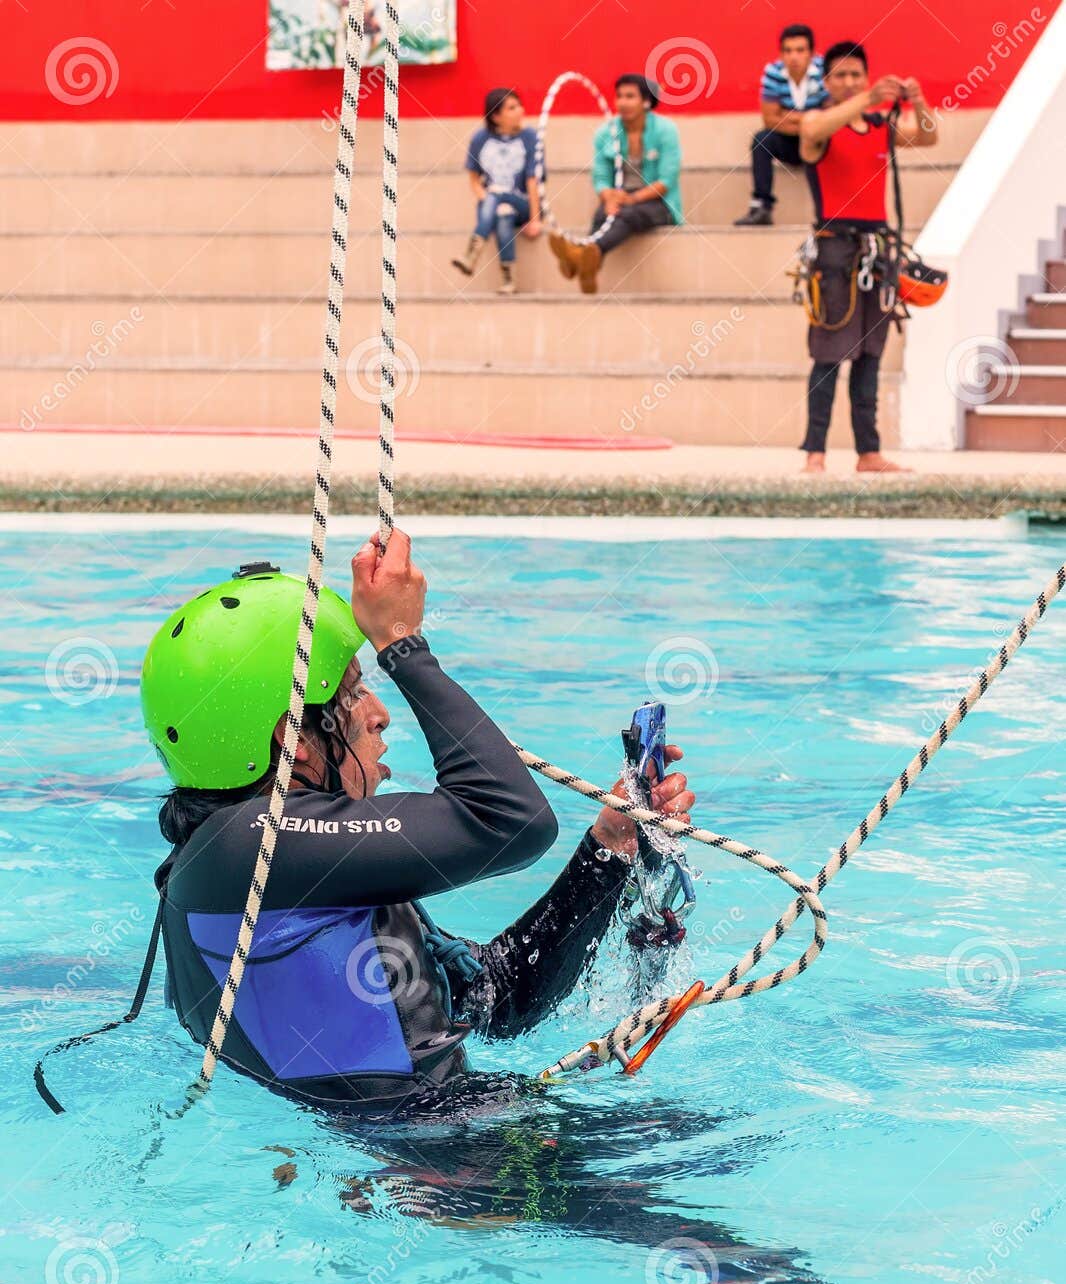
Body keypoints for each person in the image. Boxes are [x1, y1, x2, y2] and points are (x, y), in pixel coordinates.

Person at [139, 531, 695, 1116]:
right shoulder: (247, 847)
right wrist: (401, 645)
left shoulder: (276, 864)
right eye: (353, 694)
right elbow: (509, 818)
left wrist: (610, 846)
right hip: (436, 1166)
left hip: (444, 1151)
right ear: (296, 741)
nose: (379, 716)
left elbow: (499, 998)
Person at [797, 41, 938, 474]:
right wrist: (867, 98)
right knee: (829, 350)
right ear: (826, 82)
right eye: (839, 75)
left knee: (871, 353)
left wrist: (917, 101)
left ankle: (868, 452)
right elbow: (811, 135)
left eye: (856, 74)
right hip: (835, 249)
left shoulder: (880, 125)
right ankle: (815, 452)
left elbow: (929, 136)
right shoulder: (817, 122)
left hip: (876, 251)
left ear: (866, 75)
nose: (849, 81)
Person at [548, 73, 682, 296]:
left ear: (646, 101)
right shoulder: (606, 132)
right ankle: (588, 267)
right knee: (602, 215)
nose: (623, 102)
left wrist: (632, 199)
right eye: (619, 96)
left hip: (659, 203)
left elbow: (666, 180)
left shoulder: (666, 130)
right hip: (620, 196)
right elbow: (600, 176)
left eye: (630, 96)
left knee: (628, 215)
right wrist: (608, 196)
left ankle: (582, 256)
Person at [734, 23, 827, 227]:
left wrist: (788, 116)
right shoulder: (773, 72)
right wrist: (810, 119)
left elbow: (830, 118)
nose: (793, 57)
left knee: (834, 137)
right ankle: (761, 207)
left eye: (800, 50)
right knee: (762, 140)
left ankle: (830, 212)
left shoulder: (824, 70)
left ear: (811, 53)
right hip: (789, 142)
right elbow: (769, 120)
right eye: (788, 51)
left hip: (819, 141)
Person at [453, 87, 542, 295]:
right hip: (493, 205)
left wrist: (536, 218)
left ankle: (472, 253)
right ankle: (508, 280)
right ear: (496, 116)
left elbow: (532, 180)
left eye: (518, 105)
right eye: (512, 108)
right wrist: (488, 199)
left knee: (498, 194)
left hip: (522, 203)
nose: (520, 110)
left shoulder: (530, 137)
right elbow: (474, 180)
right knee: (502, 213)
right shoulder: (480, 139)